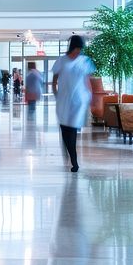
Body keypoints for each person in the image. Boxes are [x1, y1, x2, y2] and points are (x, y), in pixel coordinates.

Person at [52, 35, 95, 173]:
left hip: (79, 100)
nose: (78, 52)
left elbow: (87, 80)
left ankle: (74, 160)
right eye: (77, 48)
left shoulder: (85, 61)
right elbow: (55, 79)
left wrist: (91, 96)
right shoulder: (62, 61)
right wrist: (55, 93)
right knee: (65, 129)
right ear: (72, 47)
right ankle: (68, 151)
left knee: (72, 130)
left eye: (80, 49)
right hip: (63, 100)